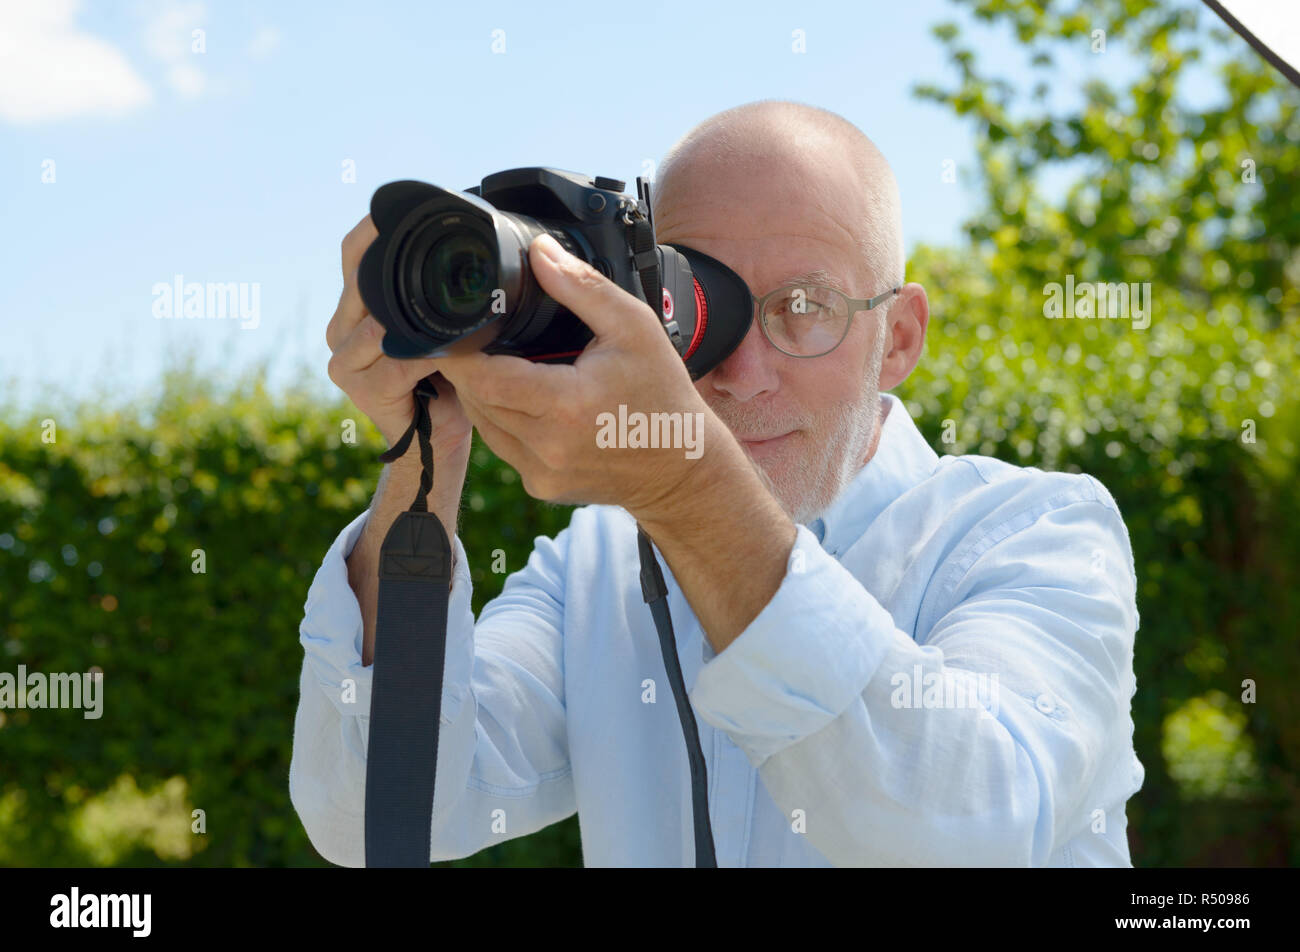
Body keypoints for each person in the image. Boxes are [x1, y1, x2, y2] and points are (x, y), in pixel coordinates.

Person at [289, 99, 1144, 867]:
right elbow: (376, 813)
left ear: (899, 338)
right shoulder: (593, 570)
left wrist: (684, 493)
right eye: (703, 303)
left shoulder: (1040, 531)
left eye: (804, 306)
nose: (742, 371)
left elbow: (960, 826)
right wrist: (422, 453)